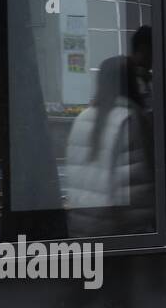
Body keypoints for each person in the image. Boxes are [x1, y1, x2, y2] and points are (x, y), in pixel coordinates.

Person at [64, 56, 154, 237]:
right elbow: (136, 185)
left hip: (82, 225)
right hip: (118, 232)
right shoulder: (128, 119)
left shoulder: (82, 118)